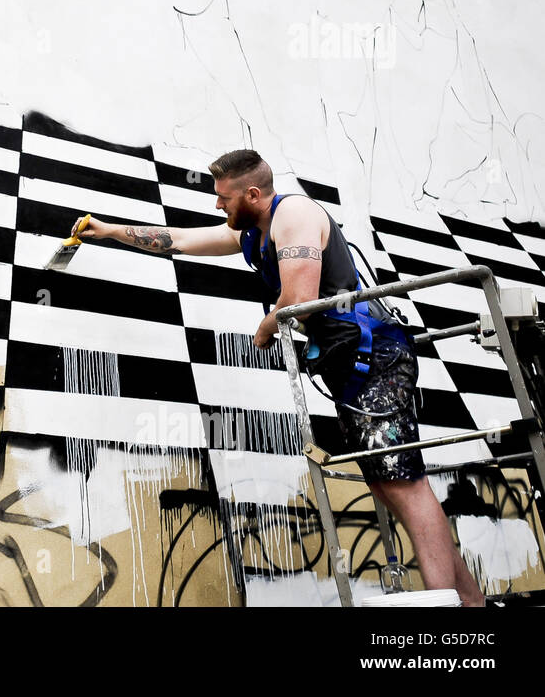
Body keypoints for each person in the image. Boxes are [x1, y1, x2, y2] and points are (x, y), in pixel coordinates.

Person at [69, 148, 484, 606]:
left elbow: (299, 297)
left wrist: (266, 326)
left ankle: (452, 606)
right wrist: (108, 232)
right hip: (351, 368)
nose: (217, 206)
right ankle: (470, 600)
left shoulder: (296, 214)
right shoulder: (255, 232)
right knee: (390, 485)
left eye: (223, 197)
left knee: (403, 484)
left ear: (251, 193)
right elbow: (181, 240)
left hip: (378, 358)